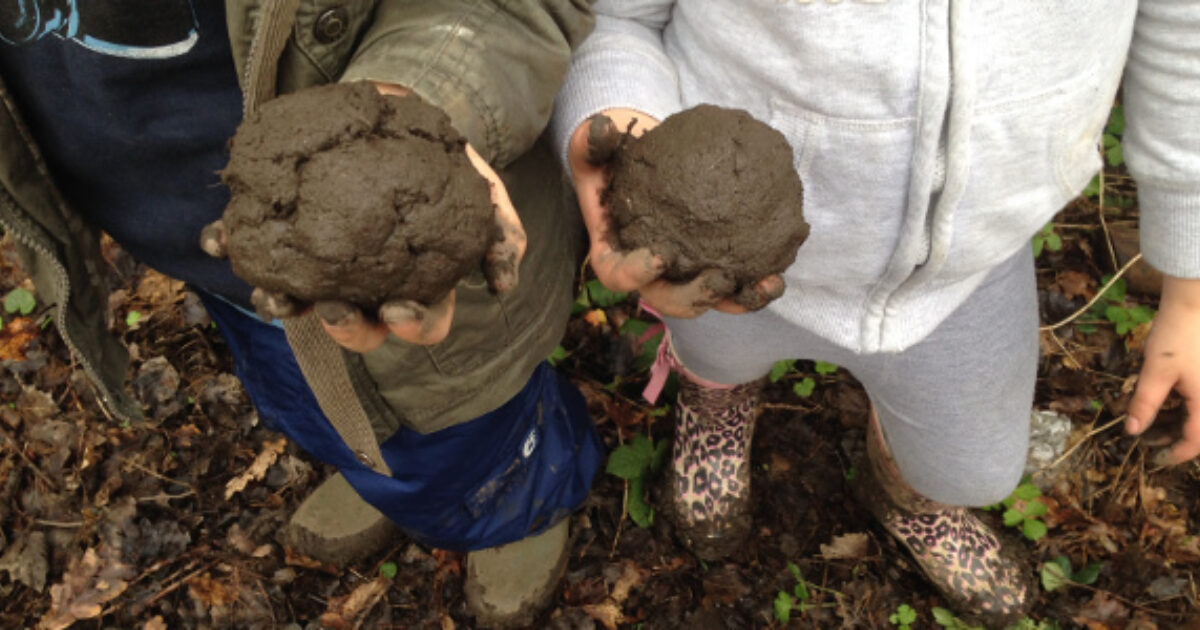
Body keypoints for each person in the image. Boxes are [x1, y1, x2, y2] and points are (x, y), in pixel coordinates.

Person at [552, 2, 1200, 626]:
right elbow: (622, 16)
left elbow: (1184, 33)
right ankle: (716, 404)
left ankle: (907, 492)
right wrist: (617, 118)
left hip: (966, 269)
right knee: (716, 351)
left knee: (970, 469)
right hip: (723, 250)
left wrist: (1190, 288)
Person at [0, 1, 601, 626]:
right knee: (307, 396)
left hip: (429, 277)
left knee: (470, 426)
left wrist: (412, 105)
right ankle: (382, 473)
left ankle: (517, 509)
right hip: (227, 268)